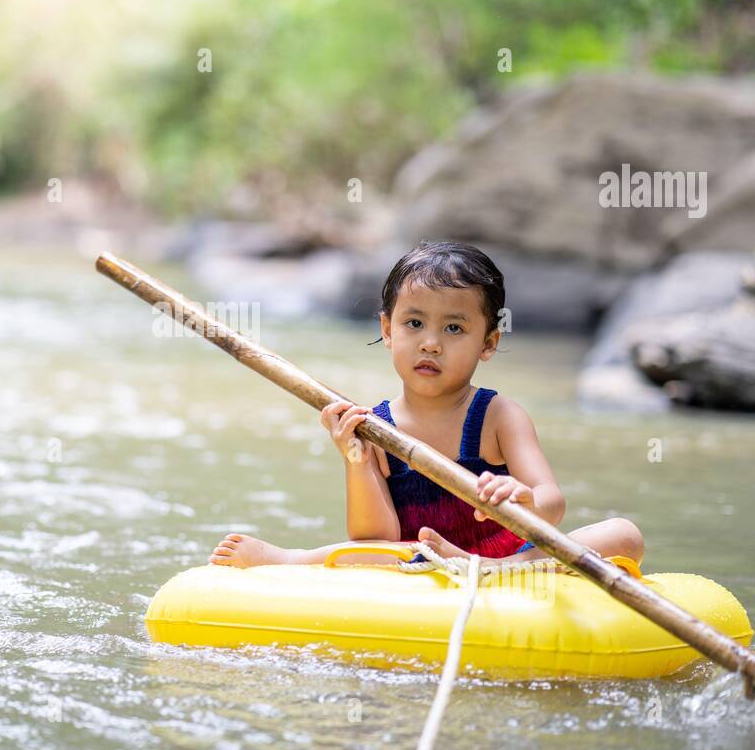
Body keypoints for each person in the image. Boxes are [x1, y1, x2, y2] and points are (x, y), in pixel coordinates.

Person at [209, 240, 644, 569]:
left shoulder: (499, 416)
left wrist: (525, 499)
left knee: (623, 535)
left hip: (508, 560)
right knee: (380, 553)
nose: (431, 344)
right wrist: (357, 460)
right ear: (388, 329)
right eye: (414, 323)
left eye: (454, 328)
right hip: (419, 559)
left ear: (488, 342)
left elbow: (553, 502)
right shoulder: (375, 425)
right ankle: (292, 561)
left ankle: (497, 571)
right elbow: (374, 535)